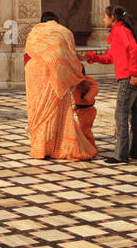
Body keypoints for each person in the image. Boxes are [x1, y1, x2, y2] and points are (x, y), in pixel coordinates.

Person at [24, 11, 97, 161]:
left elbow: (27, 55)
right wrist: (76, 75)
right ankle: (54, 146)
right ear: (57, 21)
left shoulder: (34, 32)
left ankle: (40, 148)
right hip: (57, 73)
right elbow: (71, 57)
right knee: (56, 111)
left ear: (42, 21)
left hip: (34, 73)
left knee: (38, 109)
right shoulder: (65, 32)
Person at [85, 4, 137, 163]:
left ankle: (121, 155)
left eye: (105, 16)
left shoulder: (120, 31)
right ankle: (136, 152)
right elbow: (110, 57)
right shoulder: (120, 31)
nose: (103, 19)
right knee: (135, 115)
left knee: (121, 115)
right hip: (132, 76)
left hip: (128, 78)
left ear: (112, 18)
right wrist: (91, 57)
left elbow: (135, 49)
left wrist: (132, 73)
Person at [73, 72, 99, 154]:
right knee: (80, 130)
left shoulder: (86, 81)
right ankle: (84, 147)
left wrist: (87, 98)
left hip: (88, 110)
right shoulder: (77, 81)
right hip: (81, 110)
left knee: (85, 131)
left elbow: (94, 88)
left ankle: (91, 148)